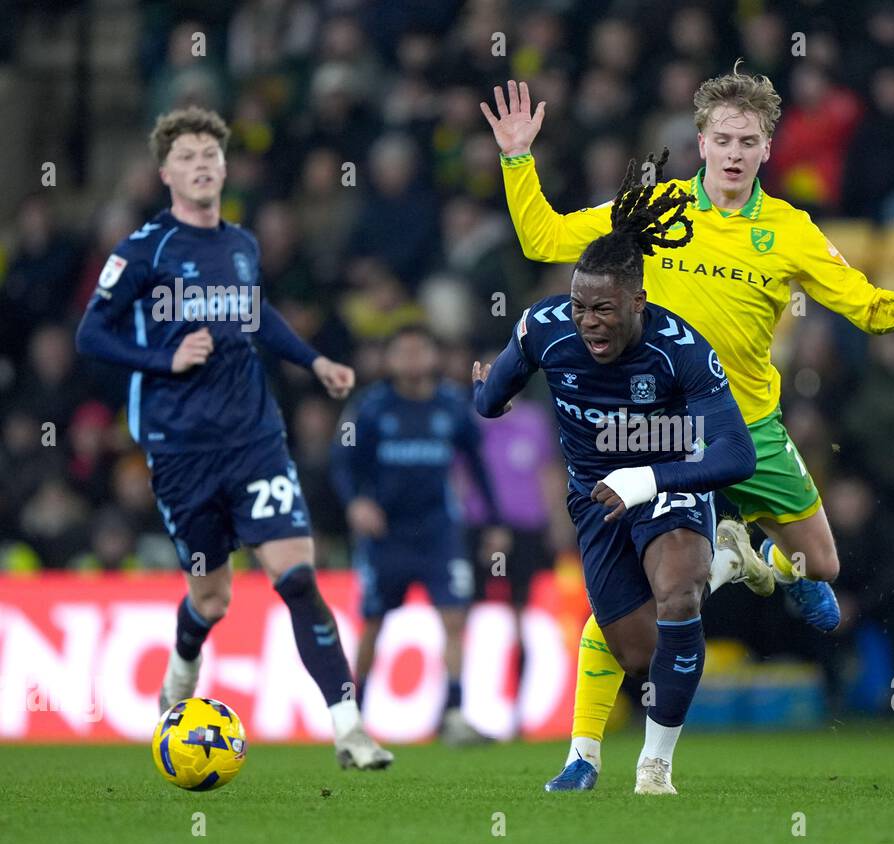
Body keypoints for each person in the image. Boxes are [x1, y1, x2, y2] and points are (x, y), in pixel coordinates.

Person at [481, 67, 894, 781]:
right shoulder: (651, 210)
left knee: (821, 570)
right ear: (700, 142)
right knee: (629, 596)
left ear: (769, 148)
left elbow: (865, 307)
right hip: (662, 431)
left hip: (752, 427)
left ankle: (749, 559)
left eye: (749, 140)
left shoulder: (791, 231)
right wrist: (518, 159)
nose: (735, 152)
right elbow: (543, 238)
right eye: (723, 139)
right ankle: (583, 753)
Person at [75, 106, 392, 770]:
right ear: (166, 172)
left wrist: (314, 361)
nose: (201, 166)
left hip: (255, 439)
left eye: (210, 156)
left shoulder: (242, 245)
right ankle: (183, 665)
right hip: (181, 450)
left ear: (223, 167)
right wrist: (164, 360)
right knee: (211, 598)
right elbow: (91, 334)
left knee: (298, 578)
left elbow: (259, 316)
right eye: (187, 156)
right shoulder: (144, 250)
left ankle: (349, 728)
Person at [473, 160, 757, 794]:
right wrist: (487, 392)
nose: (589, 322)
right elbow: (490, 401)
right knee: (638, 655)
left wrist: (648, 479)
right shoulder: (545, 329)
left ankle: (654, 768)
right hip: (592, 500)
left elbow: (738, 456)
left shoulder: (679, 348)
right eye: (579, 306)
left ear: (638, 302)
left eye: (604, 309)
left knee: (678, 594)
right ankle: (728, 565)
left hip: (669, 480)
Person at [332, 324, 508, 745]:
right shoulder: (371, 408)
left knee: (453, 618)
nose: (412, 360)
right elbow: (342, 464)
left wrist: (495, 521)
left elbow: (477, 462)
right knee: (374, 622)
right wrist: (356, 502)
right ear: (389, 360)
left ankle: (452, 716)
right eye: (403, 352)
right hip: (385, 534)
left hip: (438, 531)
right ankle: (355, 718)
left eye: (419, 351)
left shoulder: (452, 405)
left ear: (433, 356)